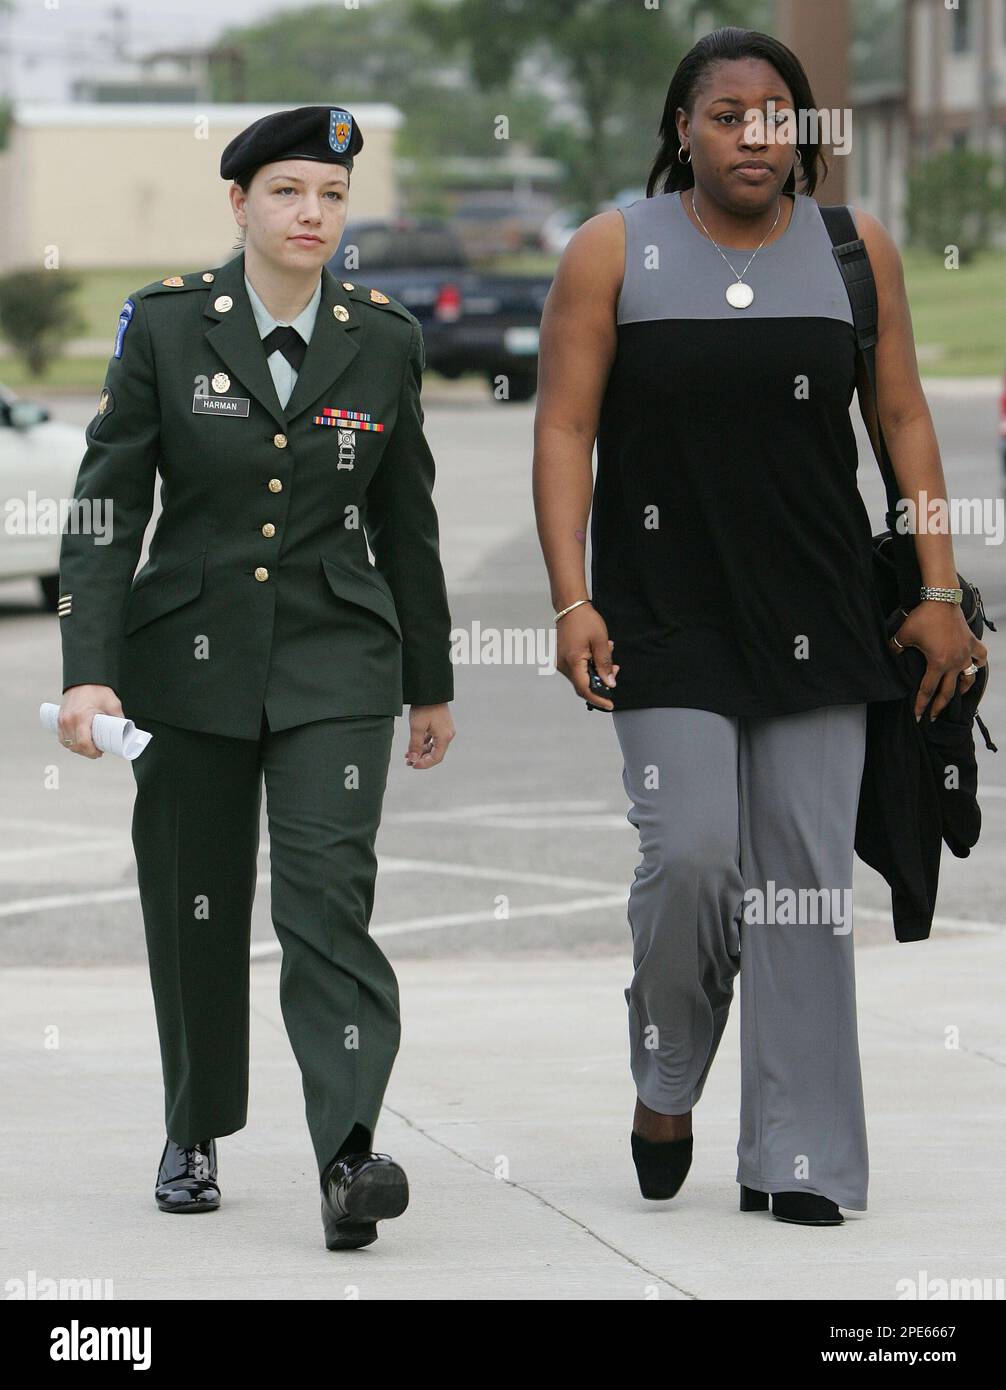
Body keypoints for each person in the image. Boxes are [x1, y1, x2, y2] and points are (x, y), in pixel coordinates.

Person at [532, 29, 987, 1225]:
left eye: (776, 114)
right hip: (664, 614)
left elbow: (903, 423)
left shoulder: (852, 252)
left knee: (799, 888)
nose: (755, 135)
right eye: (727, 114)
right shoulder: (611, 251)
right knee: (690, 859)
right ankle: (666, 1074)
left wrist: (936, 590)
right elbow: (562, 433)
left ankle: (796, 1156)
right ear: (682, 128)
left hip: (822, 611)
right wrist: (571, 596)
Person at [55, 104, 456, 1251]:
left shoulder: (382, 338)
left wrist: (430, 678)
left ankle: (348, 1153)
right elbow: (103, 509)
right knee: (197, 900)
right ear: (239, 204)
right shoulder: (170, 326)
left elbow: (406, 521)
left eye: (330, 196)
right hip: (187, 660)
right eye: (287, 192)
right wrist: (90, 672)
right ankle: (195, 1127)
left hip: (338, 656)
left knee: (327, 897)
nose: (311, 214)